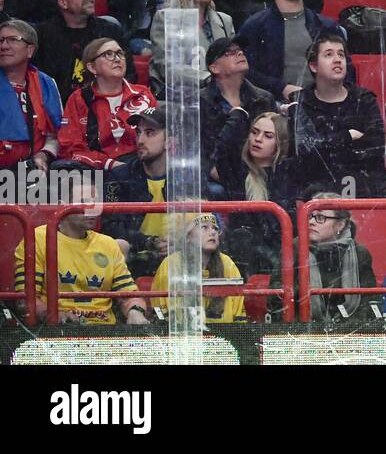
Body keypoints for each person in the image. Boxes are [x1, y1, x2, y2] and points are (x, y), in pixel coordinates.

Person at [14, 181, 149, 325]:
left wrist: (135, 312)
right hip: (56, 332)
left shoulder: (108, 244)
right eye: (84, 202)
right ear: (62, 205)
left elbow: (129, 295)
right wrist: (54, 316)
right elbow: (26, 301)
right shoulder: (37, 240)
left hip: (105, 332)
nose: (92, 209)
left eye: (96, 203)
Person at [290, 29, 386, 196]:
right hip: (319, 183)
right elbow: (306, 153)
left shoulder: (363, 99)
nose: (337, 60)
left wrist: (330, 144)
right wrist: (348, 137)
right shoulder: (301, 102)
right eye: (329, 55)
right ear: (313, 66)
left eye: (341, 55)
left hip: (365, 180)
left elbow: (377, 144)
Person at [240, 0, 339, 102]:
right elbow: (245, 71)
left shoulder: (325, 26)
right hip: (274, 107)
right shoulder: (255, 26)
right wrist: (282, 88)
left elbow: (346, 70)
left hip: (324, 105)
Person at [212, 110, 298, 272]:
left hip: (278, 257)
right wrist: (238, 115)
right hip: (243, 257)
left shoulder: (287, 172)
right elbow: (221, 148)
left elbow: (306, 148)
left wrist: (295, 111)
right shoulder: (236, 171)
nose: (258, 139)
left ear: (280, 143)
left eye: (268, 136)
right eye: (254, 132)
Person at [56, 36, 156, 169]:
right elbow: (70, 147)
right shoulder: (79, 99)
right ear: (92, 67)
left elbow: (159, 136)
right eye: (108, 54)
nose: (117, 58)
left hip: (141, 167)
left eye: (120, 53)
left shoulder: (142, 94)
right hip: (97, 169)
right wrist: (109, 164)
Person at [35, 0, 135, 100]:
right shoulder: (43, 35)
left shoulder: (110, 31)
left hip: (105, 106)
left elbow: (129, 74)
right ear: (63, 2)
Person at [101, 104, 174, 277]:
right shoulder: (118, 176)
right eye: (139, 132)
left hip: (177, 262)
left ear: (170, 142)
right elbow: (110, 228)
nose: (140, 140)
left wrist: (179, 243)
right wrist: (148, 242)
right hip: (134, 262)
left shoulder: (187, 178)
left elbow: (206, 222)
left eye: (150, 133)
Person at [147, 0, 234, 95]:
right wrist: (208, 78)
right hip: (179, 97)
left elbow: (232, 63)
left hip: (220, 95)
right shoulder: (165, 18)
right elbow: (168, 69)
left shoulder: (225, 21)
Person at [201, 36, 277, 188]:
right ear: (214, 67)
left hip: (258, 176)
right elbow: (199, 152)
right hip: (215, 180)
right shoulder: (199, 102)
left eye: (240, 50)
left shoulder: (264, 99)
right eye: (229, 52)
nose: (240, 54)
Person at [150, 213, 248, 323]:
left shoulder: (228, 264)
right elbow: (161, 313)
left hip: (224, 337)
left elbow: (239, 316)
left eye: (215, 228)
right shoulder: (171, 264)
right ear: (188, 236)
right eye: (204, 227)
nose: (212, 232)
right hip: (182, 338)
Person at [300, 192, 378, 322]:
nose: (311, 222)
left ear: (340, 225)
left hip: (349, 333)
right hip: (306, 333)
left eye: (320, 217)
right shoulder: (294, 250)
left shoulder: (360, 253)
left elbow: (368, 301)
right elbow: (281, 302)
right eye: (310, 216)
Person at [0, 19, 62, 173]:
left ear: (30, 50)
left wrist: (43, 155)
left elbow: (55, 136)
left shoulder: (47, 84)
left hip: (33, 171)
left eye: (13, 40)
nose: (3, 46)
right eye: (0, 40)